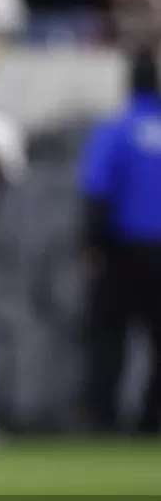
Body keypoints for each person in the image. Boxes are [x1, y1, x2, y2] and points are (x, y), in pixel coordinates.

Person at [81, 48, 161, 435]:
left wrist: (94, 246)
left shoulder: (116, 128)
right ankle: (151, 421)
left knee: (109, 338)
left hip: (122, 251)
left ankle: (104, 420)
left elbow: (96, 191)